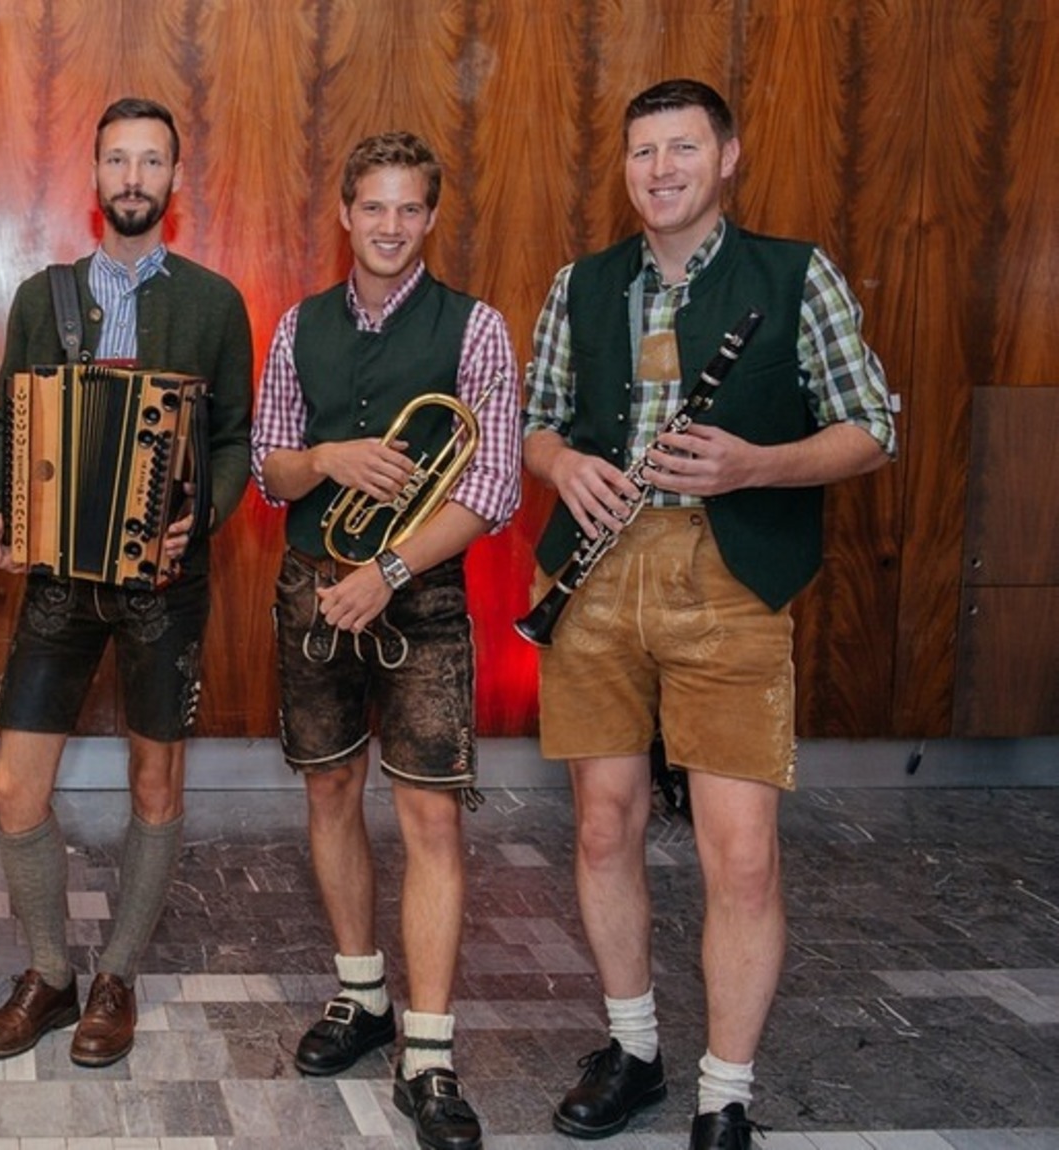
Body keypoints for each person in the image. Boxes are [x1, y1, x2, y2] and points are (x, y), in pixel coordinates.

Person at [522, 78, 895, 1150]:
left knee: (740, 853)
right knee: (602, 825)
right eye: (641, 152)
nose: (659, 170)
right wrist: (565, 466)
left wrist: (755, 464)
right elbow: (537, 426)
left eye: (680, 148)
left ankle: (723, 1089)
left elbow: (872, 424)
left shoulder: (794, 272)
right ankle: (631, 1047)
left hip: (731, 574)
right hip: (594, 579)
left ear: (725, 155)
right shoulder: (580, 284)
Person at [0, 96, 253, 1068]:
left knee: (154, 778)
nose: (132, 177)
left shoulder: (214, 304)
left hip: (163, 584)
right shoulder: (39, 296)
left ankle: (116, 974)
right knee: (12, 785)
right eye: (116, 161)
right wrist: (1, 507)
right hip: (55, 577)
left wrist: (200, 512)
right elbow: (11, 417)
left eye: (150, 162)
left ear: (174, 182)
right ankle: (49, 973)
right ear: (92, 179)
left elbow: (230, 441)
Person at [251, 131, 520, 1150]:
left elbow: (490, 488)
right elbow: (269, 476)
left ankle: (430, 1055)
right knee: (326, 788)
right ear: (344, 212)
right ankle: (361, 996)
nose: (390, 226)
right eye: (373, 207)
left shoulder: (476, 328)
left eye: (410, 209)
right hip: (312, 590)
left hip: (416, 598)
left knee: (430, 820)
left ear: (431, 218)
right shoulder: (298, 325)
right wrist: (325, 454)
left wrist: (388, 572)